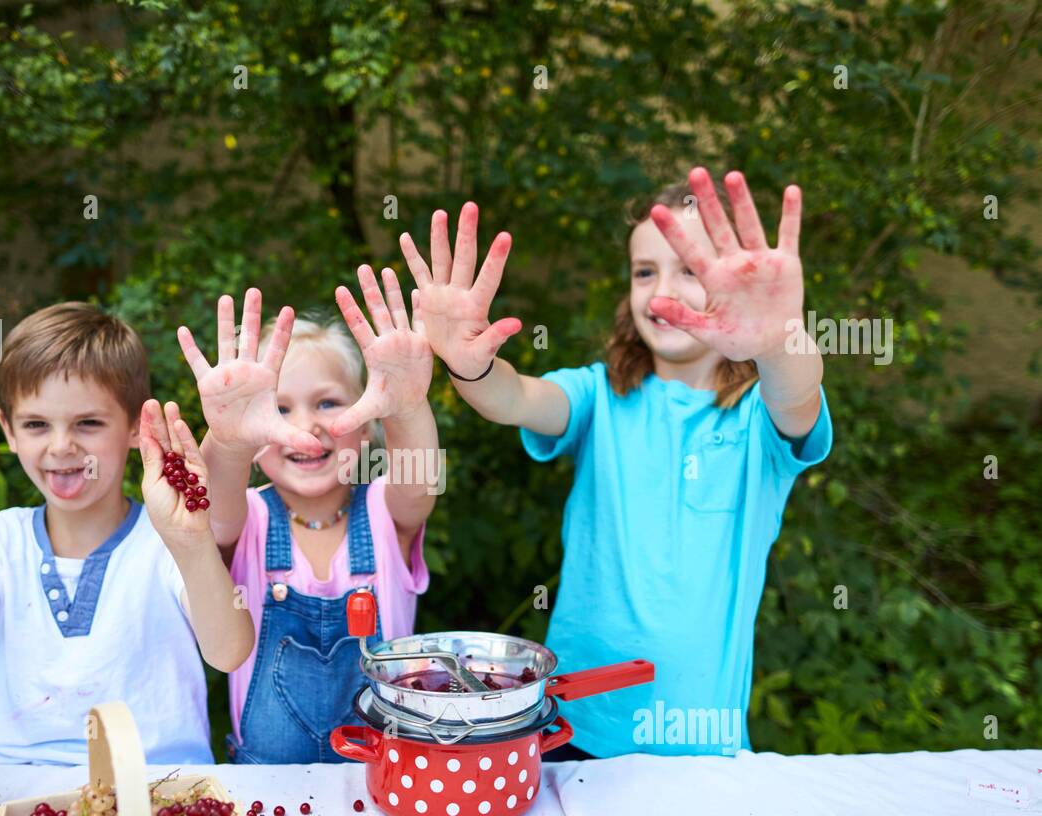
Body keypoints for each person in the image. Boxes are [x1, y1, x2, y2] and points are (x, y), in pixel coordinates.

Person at [401, 167, 832, 758]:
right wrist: (466, 362)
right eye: (645, 272)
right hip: (576, 729)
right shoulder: (598, 397)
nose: (664, 291)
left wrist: (779, 339)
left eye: (691, 269)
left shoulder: (757, 418)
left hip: (702, 747)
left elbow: (797, 391)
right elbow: (513, 398)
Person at [0, 302, 252, 764]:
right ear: (7, 429)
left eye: (88, 423)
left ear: (135, 427)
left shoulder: (164, 538)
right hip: (16, 794)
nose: (61, 446)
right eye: (36, 424)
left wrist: (191, 544)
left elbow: (230, 651)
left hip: (159, 791)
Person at [178, 277, 437, 763]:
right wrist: (229, 438)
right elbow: (214, 506)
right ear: (255, 444)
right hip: (268, 796)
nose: (305, 426)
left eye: (327, 402)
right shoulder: (249, 519)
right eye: (278, 409)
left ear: (367, 426)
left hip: (386, 783)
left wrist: (406, 404)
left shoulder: (385, 512)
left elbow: (422, 477)